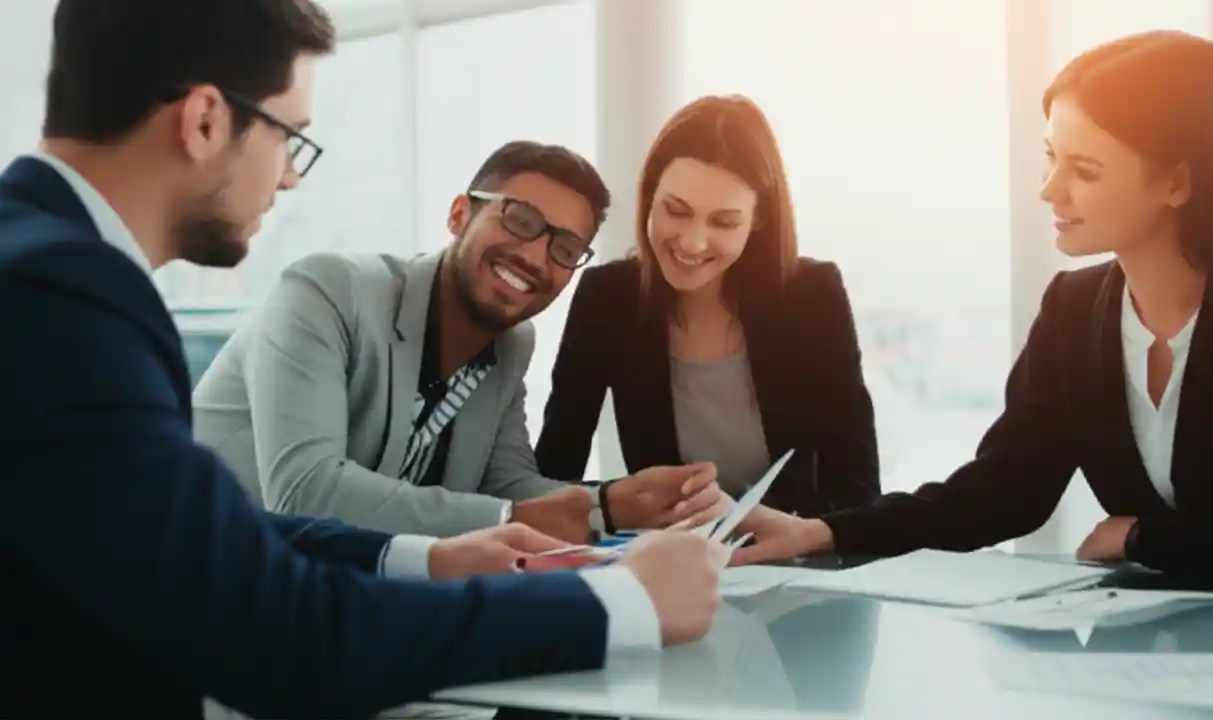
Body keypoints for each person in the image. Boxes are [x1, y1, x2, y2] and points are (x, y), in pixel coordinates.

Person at [0, 2, 724, 718]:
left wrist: (428, 557)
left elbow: (186, 542)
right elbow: (279, 630)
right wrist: (614, 605)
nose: (289, 179)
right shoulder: (65, 299)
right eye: (291, 138)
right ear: (205, 122)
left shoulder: (44, 268)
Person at [733, 30, 1213, 577]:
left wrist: (1144, 538)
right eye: (1051, 157)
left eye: (1084, 170)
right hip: (1165, 648)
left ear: (1177, 183)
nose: (1049, 189)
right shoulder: (1074, 311)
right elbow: (1003, 490)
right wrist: (827, 531)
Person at [193, 140, 726, 544]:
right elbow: (304, 491)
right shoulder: (327, 291)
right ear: (458, 214)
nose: (535, 256)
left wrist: (610, 502)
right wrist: (514, 520)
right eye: (520, 220)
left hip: (331, 596)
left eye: (564, 247)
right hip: (189, 583)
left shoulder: (512, 345)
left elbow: (507, 482)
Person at [536, 95, 880, 518]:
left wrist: (748, 520)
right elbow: (554, 475)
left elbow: (858, 494)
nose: (692, 243)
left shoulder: (812, 296)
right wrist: (612, 508)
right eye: (675, 211)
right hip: (668, 557)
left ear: (758, 221)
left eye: (723, 222)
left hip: (791, 559)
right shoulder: (607, 298)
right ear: (649, 199)